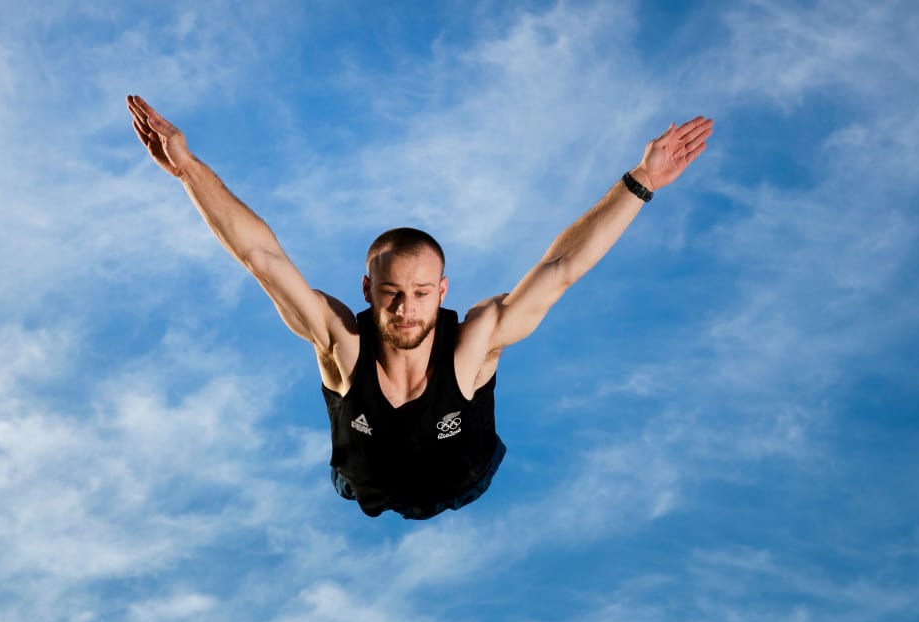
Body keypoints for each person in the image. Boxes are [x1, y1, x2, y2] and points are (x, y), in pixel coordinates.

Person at [127, 95, 713, 520]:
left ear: (443, 291)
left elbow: (560, 272)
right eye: (391, 294)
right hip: (364, 479)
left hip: (462, 473)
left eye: (421, 293)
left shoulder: (474, 343)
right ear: (368, 291)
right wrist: (187, 170)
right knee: (354, 449)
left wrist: (643, 179)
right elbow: (262, 258)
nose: (405, 309)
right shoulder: (341, 344)